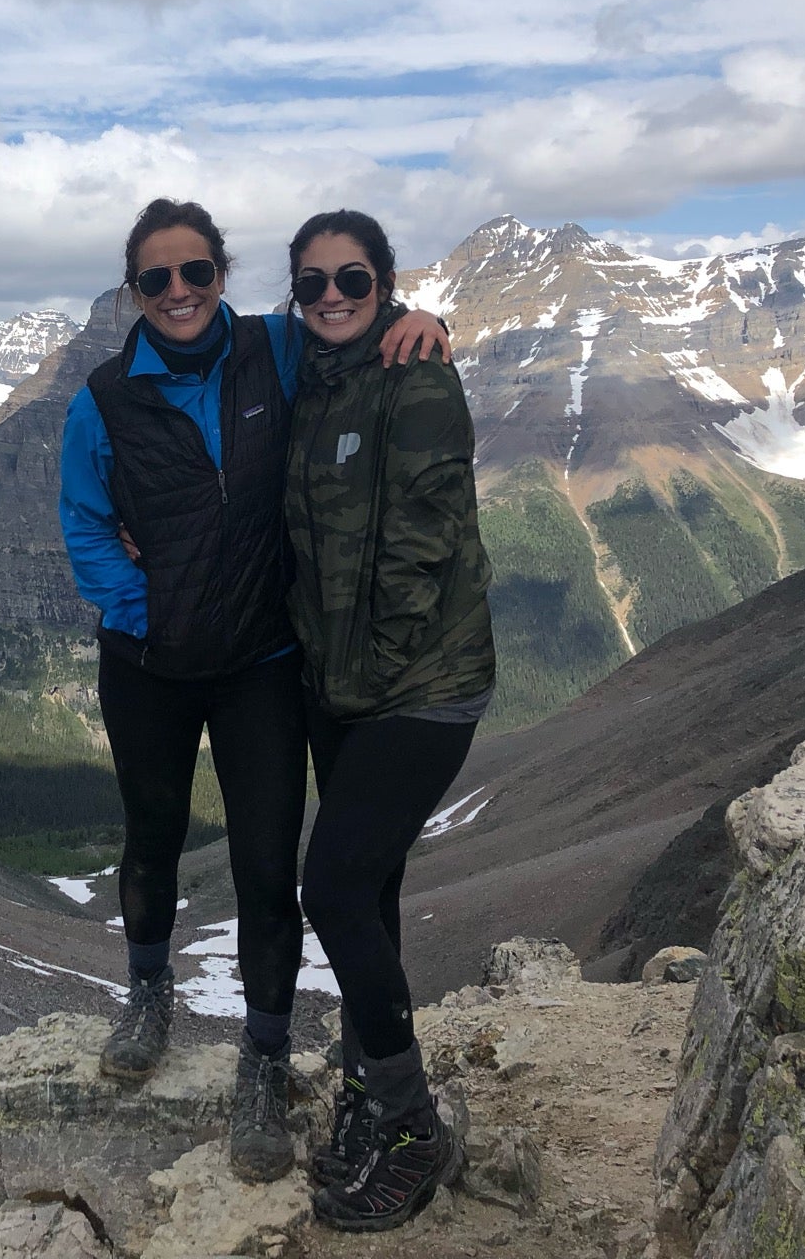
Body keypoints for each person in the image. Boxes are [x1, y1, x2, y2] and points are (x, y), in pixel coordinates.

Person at [58, 198, 449, 1183]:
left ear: (223, 277)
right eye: (158, 280)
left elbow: (353, 327)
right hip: (149, 664)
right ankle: (150, 996)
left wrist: (430, 321)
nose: (180, 293)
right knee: (151, 833)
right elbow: (87, 527)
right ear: (135, 292)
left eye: (197, 273)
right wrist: (147, 613)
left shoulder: (275, 350)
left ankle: (264, 1065)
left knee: (271, 871)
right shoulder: (100, 401)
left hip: (261, 666)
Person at [280, 209, 495, 1230]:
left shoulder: (418, 376)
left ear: (384, 286)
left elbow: (422, 543)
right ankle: (371, 1083)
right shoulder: (311, 380)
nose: (332, 298)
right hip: (342, 688)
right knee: (373, 885)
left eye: (353, 282)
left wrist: (427, 323)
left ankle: (412, 1129)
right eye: (314, 284)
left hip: (419, 688)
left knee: (330, 884)